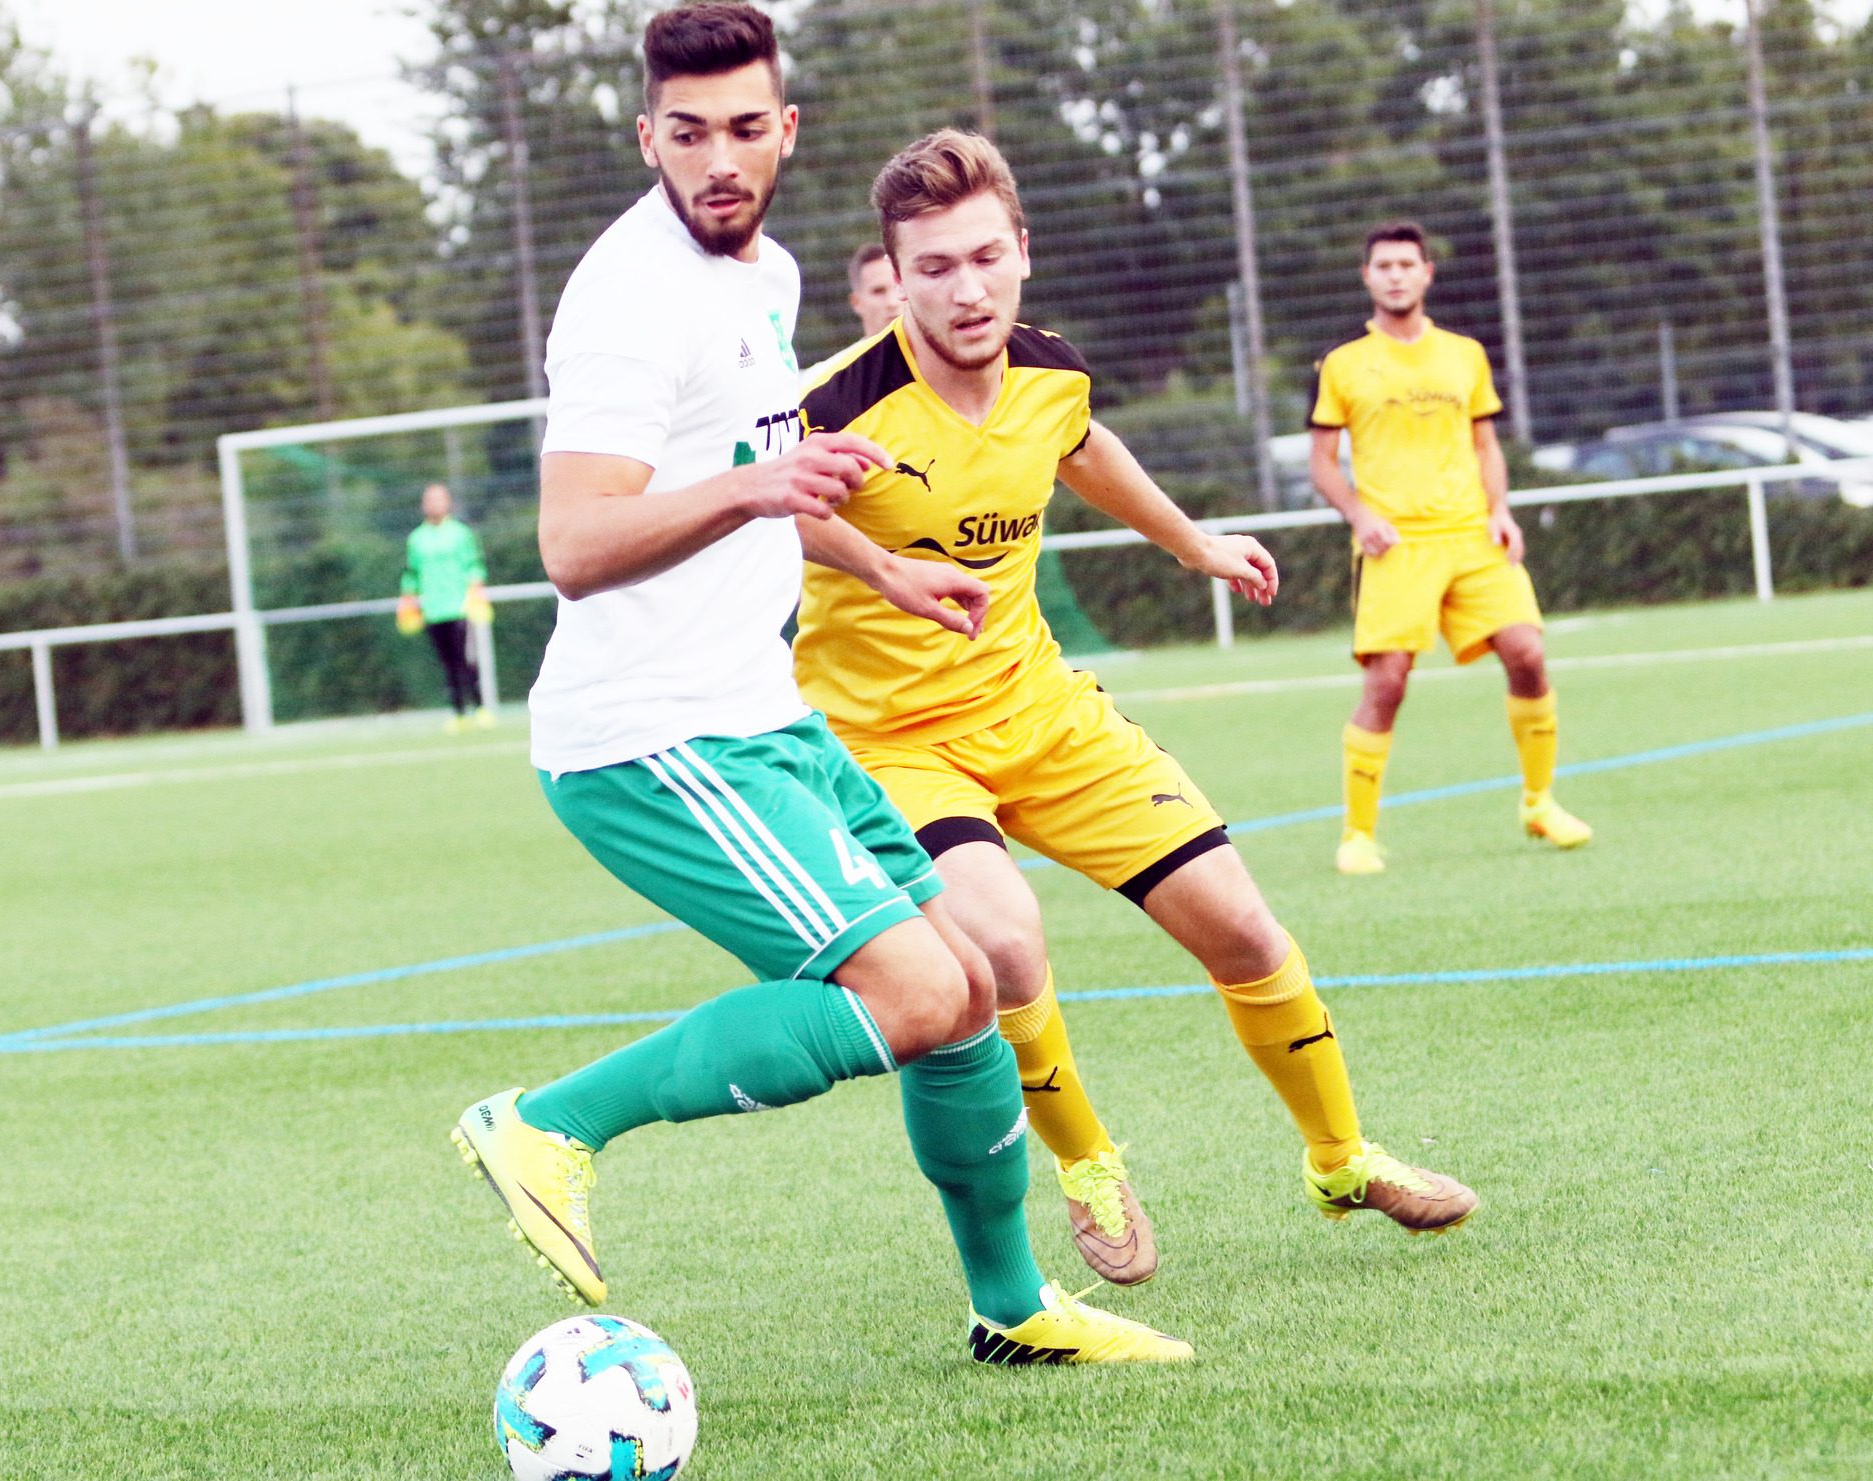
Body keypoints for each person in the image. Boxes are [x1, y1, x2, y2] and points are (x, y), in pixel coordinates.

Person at [450, 5, 1188, 1367]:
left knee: (966, 985)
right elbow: (574, 545)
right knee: (914, 993)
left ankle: (1014, 1307)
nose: (718, 159)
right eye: (688, 134)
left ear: (785, 129)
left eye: (745, 128)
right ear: (647, 136)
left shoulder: (767, 275)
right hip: (656, 738)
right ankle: (547, 1122)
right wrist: (754, 487)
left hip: (763, 712)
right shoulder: (629, 301)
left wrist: (880, 566)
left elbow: (766, 472)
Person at [796, 131, 1480, 1273]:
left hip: (1041, 706)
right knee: (1006, 945)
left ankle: (1341, 1158)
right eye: (931, 267)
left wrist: (1192, 543)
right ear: (892, 273)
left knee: (1243, 925)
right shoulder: (832, 403)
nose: (963, 290)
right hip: (893, 741)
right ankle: (1086, 1165)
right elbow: (760, 495)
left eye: (982, 258)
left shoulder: (1050, 370)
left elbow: (1079, 444)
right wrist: (877, 568)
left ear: (1020, 249)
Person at [1310, 221, 1591, 875]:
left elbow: (1486, 444)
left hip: (1470, 533)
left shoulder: (1465, 354)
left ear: (1427, 274)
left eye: (1408, 263)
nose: (1396, 275)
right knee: (1388, 681)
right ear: (1368, 277)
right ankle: (1357, 834)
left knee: (1528, 652)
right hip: (1396, 545)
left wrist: (1501, 510)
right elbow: (1323, 462)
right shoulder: (1343, 364)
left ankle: (1540, 803)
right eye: (1384, 265)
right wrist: (1359, 513)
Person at [397, 482, 493, 732]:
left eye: (439, 499)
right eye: (430, 500)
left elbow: (474, 566)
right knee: (448, 664)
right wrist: (407, 601)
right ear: (424, 505)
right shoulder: (417, 539)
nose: (434, 504)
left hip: (460, 607)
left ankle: (481, 708)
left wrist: (477, 591)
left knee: (466, 660)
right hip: (433, 609)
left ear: (447, 502)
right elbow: (411, 574)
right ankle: (458, 712)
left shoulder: (461, 534)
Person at [846, 241, 904, 337]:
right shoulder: (851, 353)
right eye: (879, 291)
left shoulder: (936, 351)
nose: (892, 302)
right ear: (856, 302)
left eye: (900, 288)